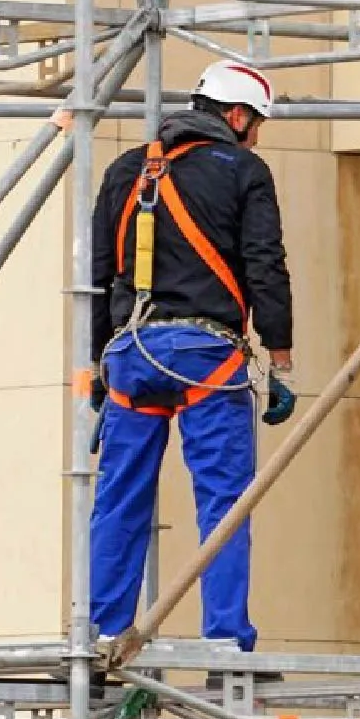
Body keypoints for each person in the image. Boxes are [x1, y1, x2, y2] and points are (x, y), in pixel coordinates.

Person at [88, 60, 297, 666]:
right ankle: (226, 641)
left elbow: (99, 278)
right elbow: (265, 265)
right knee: (224, 503)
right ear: (236, 116)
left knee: (120, 500)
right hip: (205, 355)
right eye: (254, 123)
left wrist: (94, 373)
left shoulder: (126, 171)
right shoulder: (244, 170)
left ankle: (103, 637)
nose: (255, 135)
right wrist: (279, 359)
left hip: (129, 355)